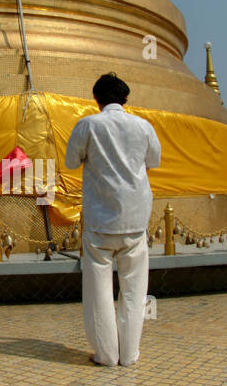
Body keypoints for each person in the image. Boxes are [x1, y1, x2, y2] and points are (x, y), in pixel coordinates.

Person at [65, 72, 161, 367]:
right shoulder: (143, 126)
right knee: (134, 292)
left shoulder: (88, 125)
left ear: (97, 99)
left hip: (100, 222)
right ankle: (129, 355)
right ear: (125, 99)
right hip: (135, 219)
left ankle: (106, 355)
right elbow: (154, 161)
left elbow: (70, 162)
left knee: (99, 293)